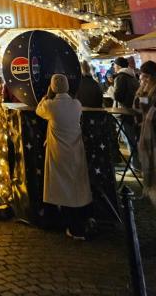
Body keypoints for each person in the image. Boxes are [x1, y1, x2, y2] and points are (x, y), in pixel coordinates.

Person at [36, 73, 93, 240]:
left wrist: (47, 95)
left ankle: (66, 222)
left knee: (60, 186)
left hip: (58, 152)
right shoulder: (76, 104)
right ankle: (79, 220)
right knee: (76, 183)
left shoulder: (51, 105)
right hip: (75, 150)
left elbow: (39, 110)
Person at [113, 56, 141, 170]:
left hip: (124, 112)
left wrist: (111, 91)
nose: (114, 67)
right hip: (133, 112)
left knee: (129, 140)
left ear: (118, 66)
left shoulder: (121, 77)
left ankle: (135, 166)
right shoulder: (132, 76)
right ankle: (138, 164)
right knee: (133, 139)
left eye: (114, 65)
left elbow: (118, 96)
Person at [137, 60, 156, 205]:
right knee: (148, 161)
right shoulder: (146, 89)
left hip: (153, 132)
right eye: (143, 76)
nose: (143, 79)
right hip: (148, 132)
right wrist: (142, 91)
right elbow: (142, 109)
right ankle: (149, 190)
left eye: (146, 76)